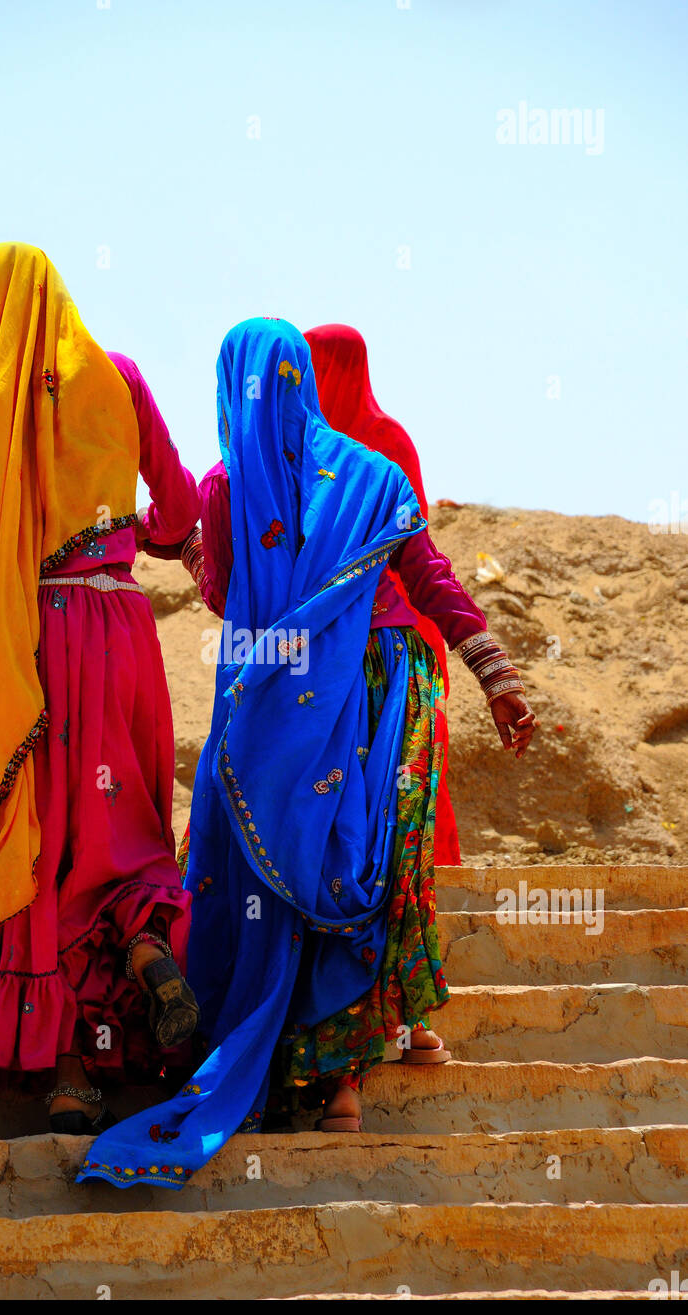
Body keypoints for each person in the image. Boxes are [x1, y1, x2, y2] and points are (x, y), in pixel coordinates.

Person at [78, 317, 536, 1191]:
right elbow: (430, 575)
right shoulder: (373, 475)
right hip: (385, 685)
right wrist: (493, 671)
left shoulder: (224, 485)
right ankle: (342, 1087)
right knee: (360, 864)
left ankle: (246, 1071)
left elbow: (218, 595)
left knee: (254, 866)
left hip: (271, 705)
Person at [0, 242, 200, 1135]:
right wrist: (127, 533)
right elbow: (179, 511)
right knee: (118, 823)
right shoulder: (120, 377)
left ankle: (69, 1070)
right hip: (117, 631)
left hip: (19, 644)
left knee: (29, 843)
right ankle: (145, 939)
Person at [304, 322, 461, 866]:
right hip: (346, 628)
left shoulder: (380, 443)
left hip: (381, 629)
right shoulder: (309, 441)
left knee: (388, 772)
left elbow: (412, 544)